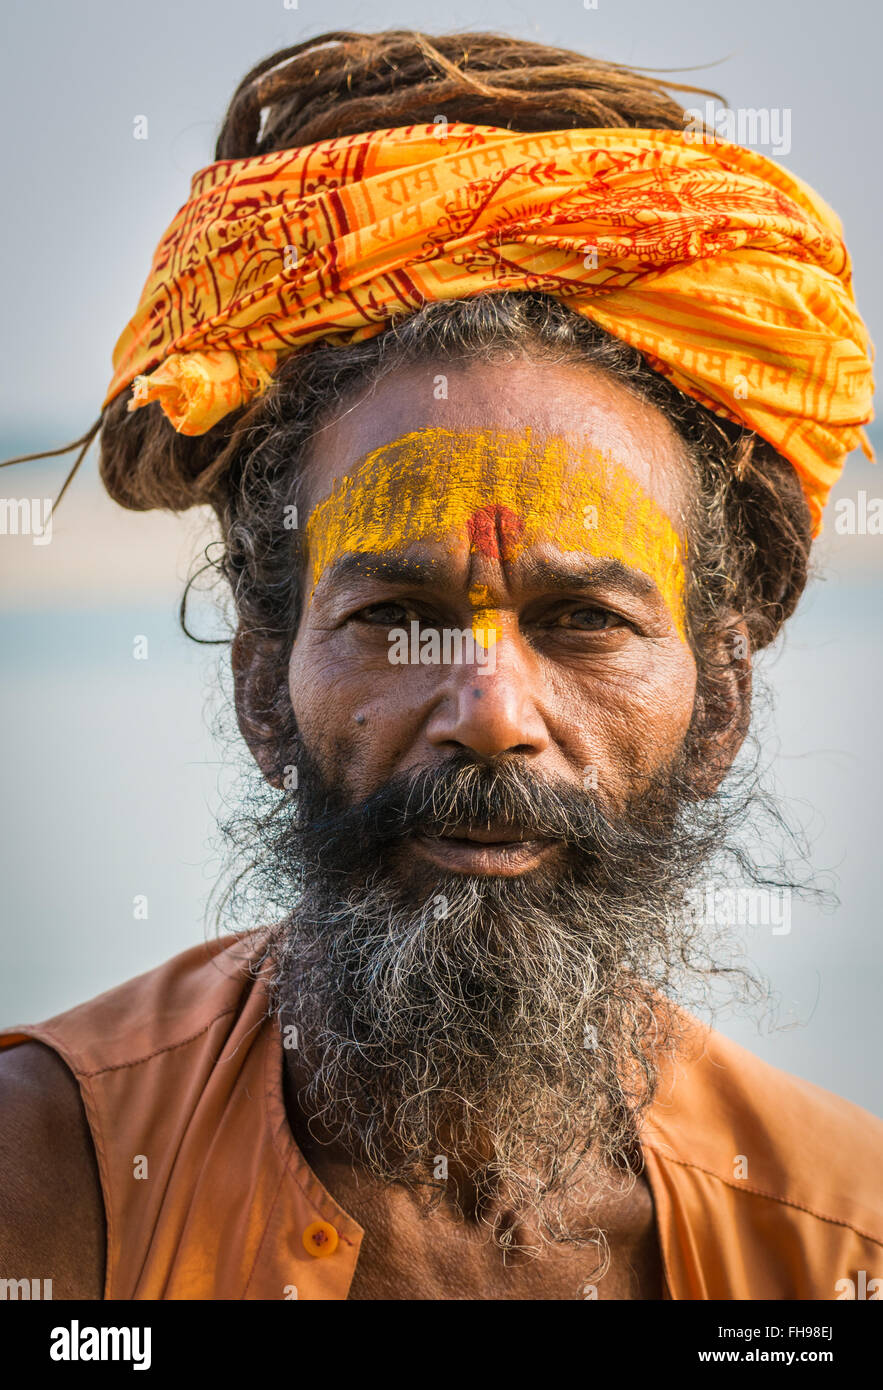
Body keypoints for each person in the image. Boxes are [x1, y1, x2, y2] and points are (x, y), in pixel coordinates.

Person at [0, 29, 880, 1302]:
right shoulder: (48, 1186)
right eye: (393, 611)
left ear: (720, 706)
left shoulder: (830, 1245)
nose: (489, 712)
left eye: (582, 620)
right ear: (262, 685)